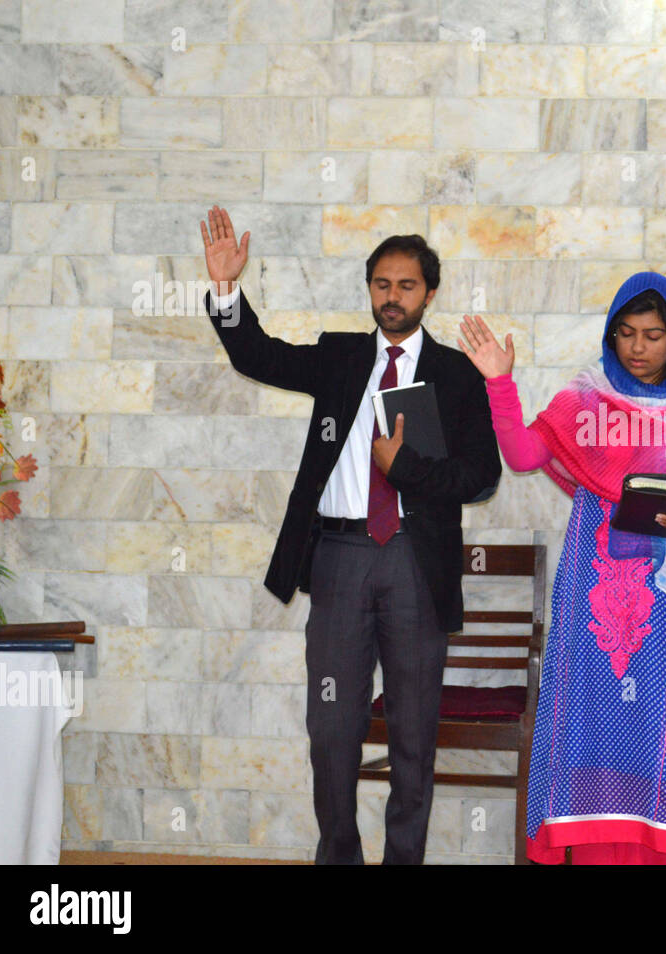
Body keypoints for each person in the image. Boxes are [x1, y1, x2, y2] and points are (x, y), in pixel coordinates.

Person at [199, 206, 501, 864]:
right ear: (369, 290)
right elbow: (258, 356)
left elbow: (482, 475)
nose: (393, 297)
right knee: (332, 729)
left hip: (416, 564)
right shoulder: (340, 357)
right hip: (337, 559)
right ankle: (338, 855)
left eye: (407, 285)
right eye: (382, 285)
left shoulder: (456, 374)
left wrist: (408, 469)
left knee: (414, 735)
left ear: (430, 292)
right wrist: (226, 291)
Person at [457, 272, 666, 864]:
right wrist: (499, 383)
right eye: (625, 333)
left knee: (661, 736)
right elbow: (522, 454)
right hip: (594, 598)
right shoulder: (587, 400)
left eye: (653, 335)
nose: (638, 348)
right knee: (595, 731)